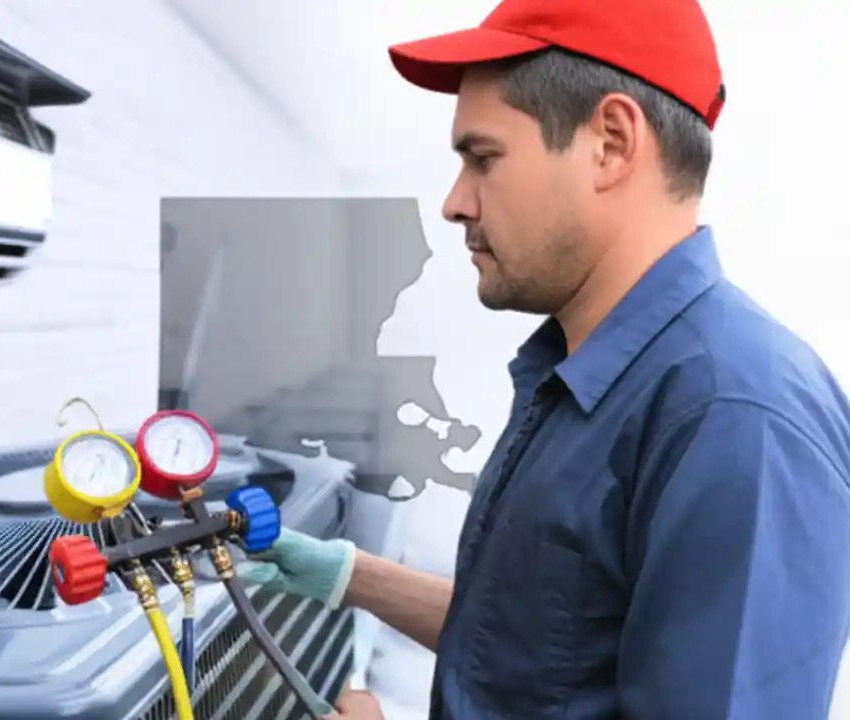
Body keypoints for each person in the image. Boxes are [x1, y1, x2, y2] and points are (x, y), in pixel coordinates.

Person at [236, 0, 850, 717]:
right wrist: (353, 577)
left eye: (483, 158)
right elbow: (545, 649)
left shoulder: (737, 417)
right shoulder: (579, 376)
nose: (455, 202)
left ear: (610, 144)